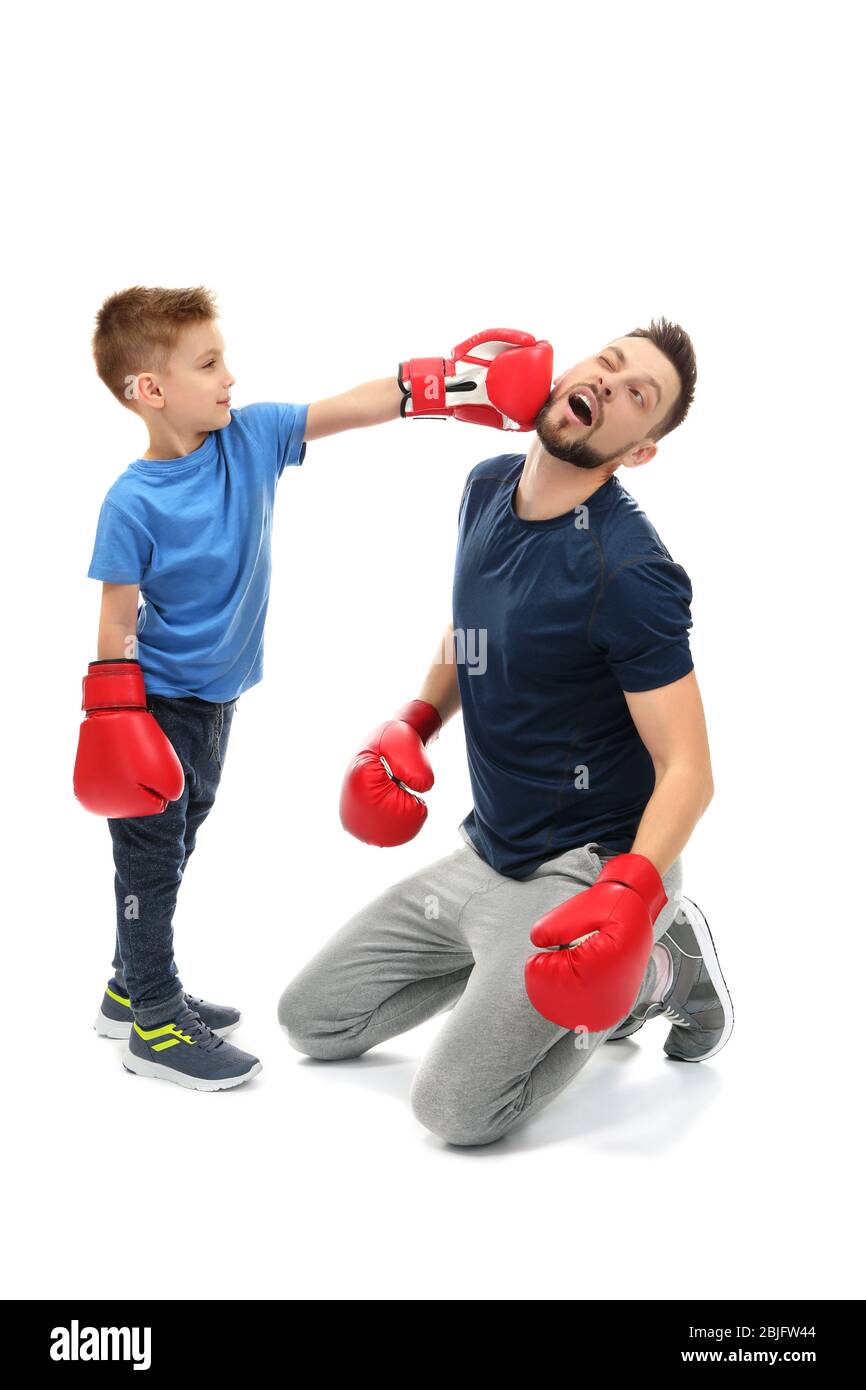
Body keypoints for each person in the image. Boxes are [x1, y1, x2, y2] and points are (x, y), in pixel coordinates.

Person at [75, 287, 551, 1092]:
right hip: (154, 711)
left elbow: (347, 409)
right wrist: (117, 718)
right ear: (149, 392)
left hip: (216, 703)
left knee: (176, 843)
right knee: (150, 862)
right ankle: (152, 1019)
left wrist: (438, 385)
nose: (230, 375)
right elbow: (116, 618)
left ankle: (129, 985)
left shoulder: (250, 437)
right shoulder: (130, 502)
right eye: (208, 363)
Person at [278, 317, 734, 1145]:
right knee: (312, 1022)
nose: (612, 382)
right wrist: (415, 719)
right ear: (570, 370)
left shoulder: (631, 573)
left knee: (455, 1111)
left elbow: (689, 771)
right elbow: (474, 629)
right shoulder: (486, 486)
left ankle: (659, 970)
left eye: (642, 396)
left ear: (640, 451)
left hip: (587, 878)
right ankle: (513, 976)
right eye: (611, 361)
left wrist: (630, 898)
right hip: (487, 850)